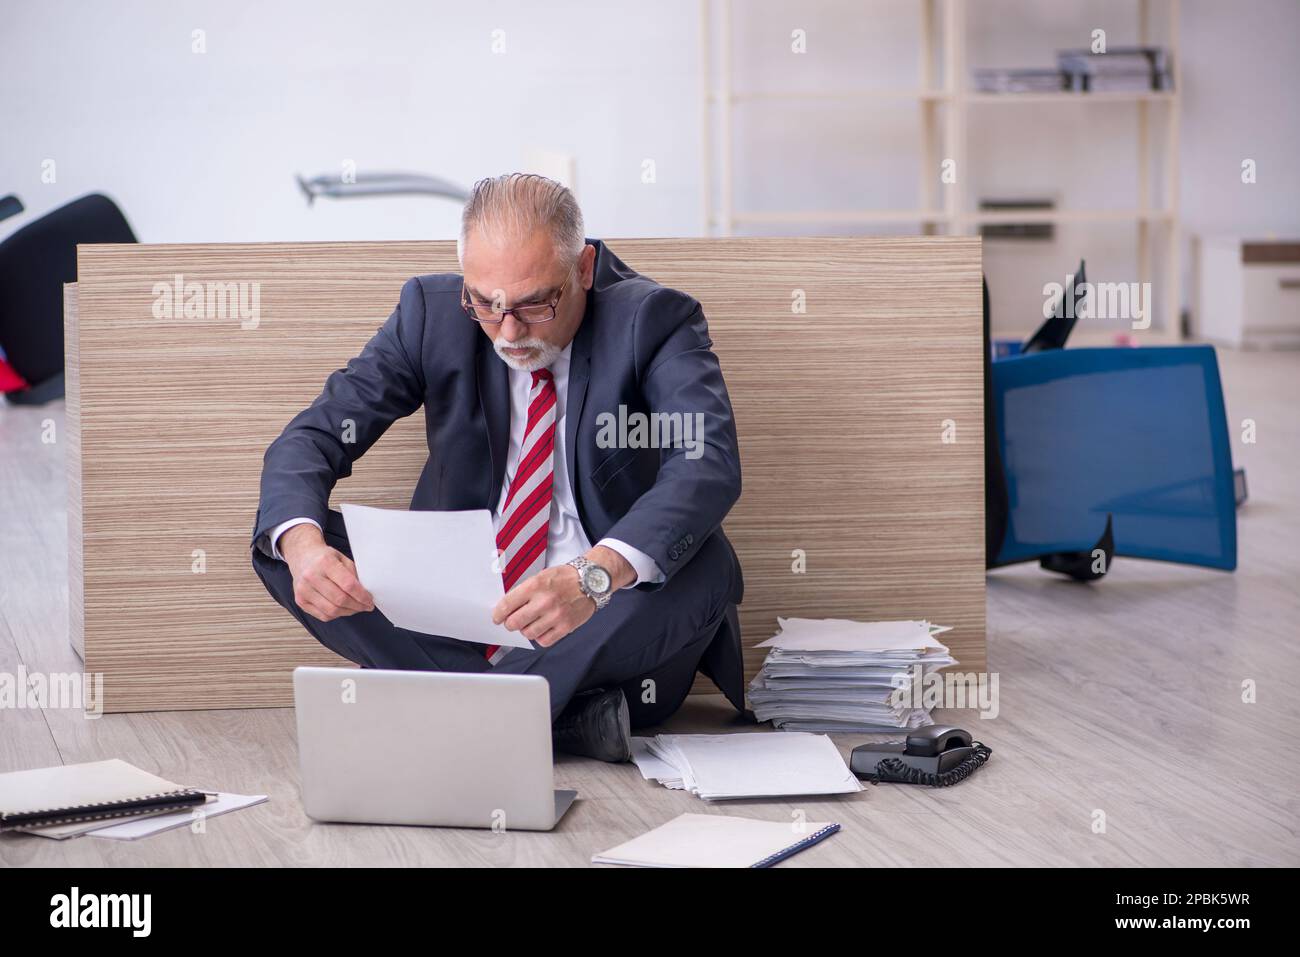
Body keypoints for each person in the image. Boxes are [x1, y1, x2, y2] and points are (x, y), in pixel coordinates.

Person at [251, 173, 745, 762]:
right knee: (283, 541)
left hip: (601, 609)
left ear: (583, 269)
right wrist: (305, 548)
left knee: (702, 563)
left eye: (535, 303)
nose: (508, 332)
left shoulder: (654, 319)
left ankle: (467, 709)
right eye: (485, 303)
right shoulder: (430, 314)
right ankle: (553, 717)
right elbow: (310, 439)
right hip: (466, 604)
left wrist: (594, 575)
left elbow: (705, 465)